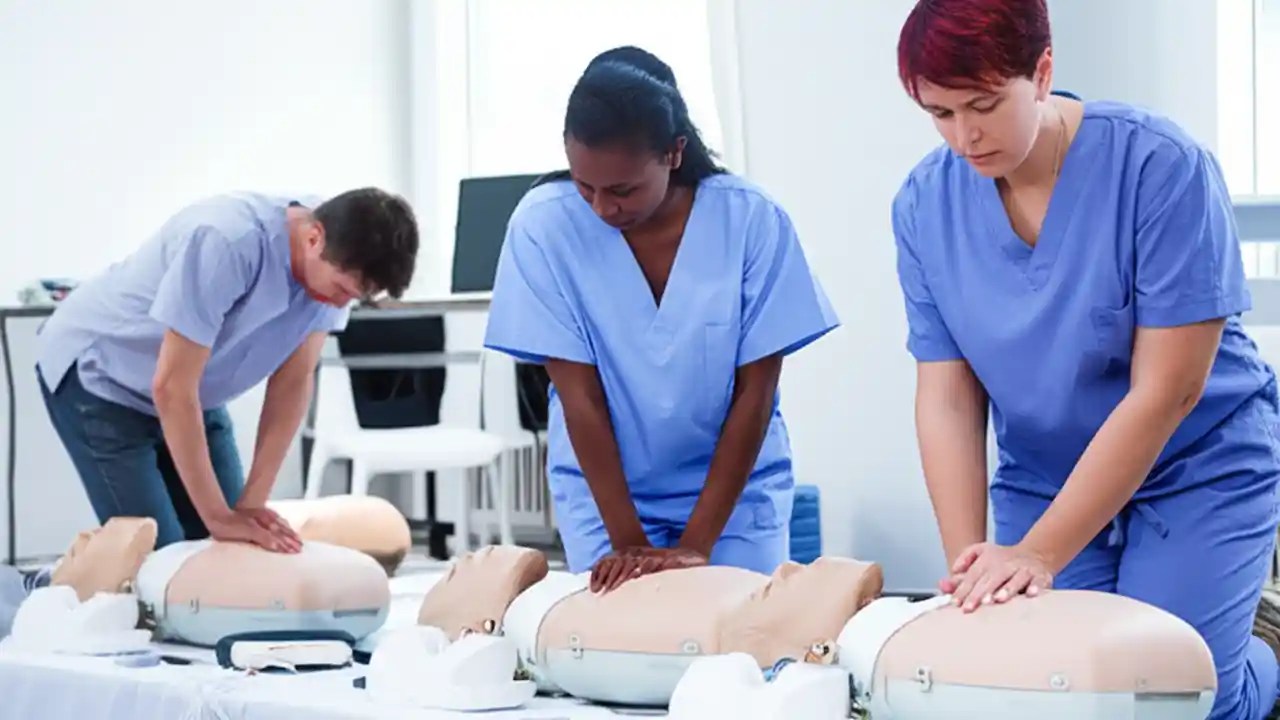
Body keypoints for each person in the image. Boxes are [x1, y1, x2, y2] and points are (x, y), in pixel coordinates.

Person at [891, 1, 1280, 719]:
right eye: (939, 114)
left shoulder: (1161, 167)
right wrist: (969, 568)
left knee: (1178, 696)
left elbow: (1168, 392)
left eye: (982, 105)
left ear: (1042, 73)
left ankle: (1258, 662)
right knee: (1051, 689)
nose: (964, 137)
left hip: (1198, 464)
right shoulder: (924, 204)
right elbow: (947, 398)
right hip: (1046, 473)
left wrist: (1037, 557)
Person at [484, 46, 838, 592]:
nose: (602, 208)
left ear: (674, 154)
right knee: (621, 646)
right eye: (586, 186)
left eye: (623, 189)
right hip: (606, 493)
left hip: (734, 493)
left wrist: (696, 546)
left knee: (739, 638)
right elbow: (580, 398)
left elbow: (756, 394)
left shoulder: (750, 220)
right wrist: (627, 544)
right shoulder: (543, 226)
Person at [36, 189, 419, 554]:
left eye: (353, 297)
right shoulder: (226, 241)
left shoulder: (342, 255)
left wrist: (251, 504)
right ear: (314, 238)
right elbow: (171, 388)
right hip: (102, 378)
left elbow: (293, 382)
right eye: (340, 289)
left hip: (193, 394)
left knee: (234, 546)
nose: (341, 303)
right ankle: (56, 595)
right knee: (159, 560)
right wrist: (219, 517)